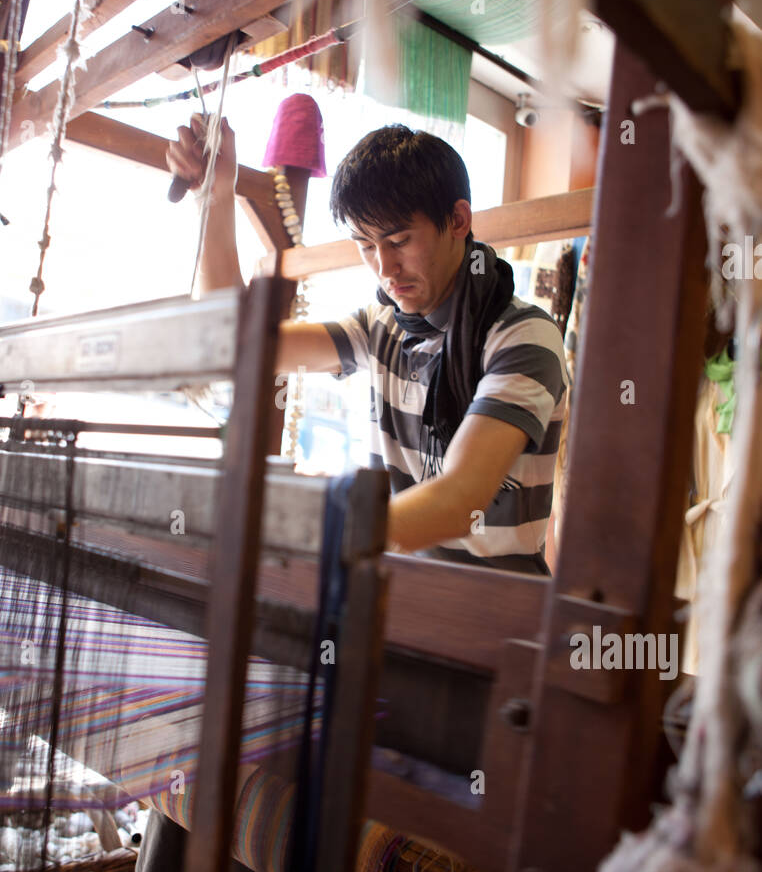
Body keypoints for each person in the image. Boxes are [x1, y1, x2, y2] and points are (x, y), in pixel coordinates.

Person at [167, 116, 568, 576]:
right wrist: (215, 195)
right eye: (365, 245)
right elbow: (234, 343)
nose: (385, 267)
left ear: (458, 220)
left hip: (499, 609)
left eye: (399, 241)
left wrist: (307, 530)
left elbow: (460, 500)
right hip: (397, 586)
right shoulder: (380, 327)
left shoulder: (522, 336)